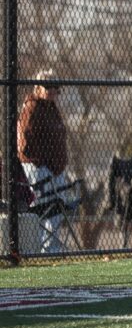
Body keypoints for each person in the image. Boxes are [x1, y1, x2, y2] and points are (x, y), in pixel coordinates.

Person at [17, 68, 70, 252]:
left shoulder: (52, 108)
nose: (53, 91)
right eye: (48, 87)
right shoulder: (32, 107)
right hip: (40, 167)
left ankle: (51, 249)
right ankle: (36, 249)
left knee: (57, 209)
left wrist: (58, 162)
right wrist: (42, 163)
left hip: (56, 168)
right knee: (40, 209)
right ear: (38, 88)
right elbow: (25, 144)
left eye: (55, 87)